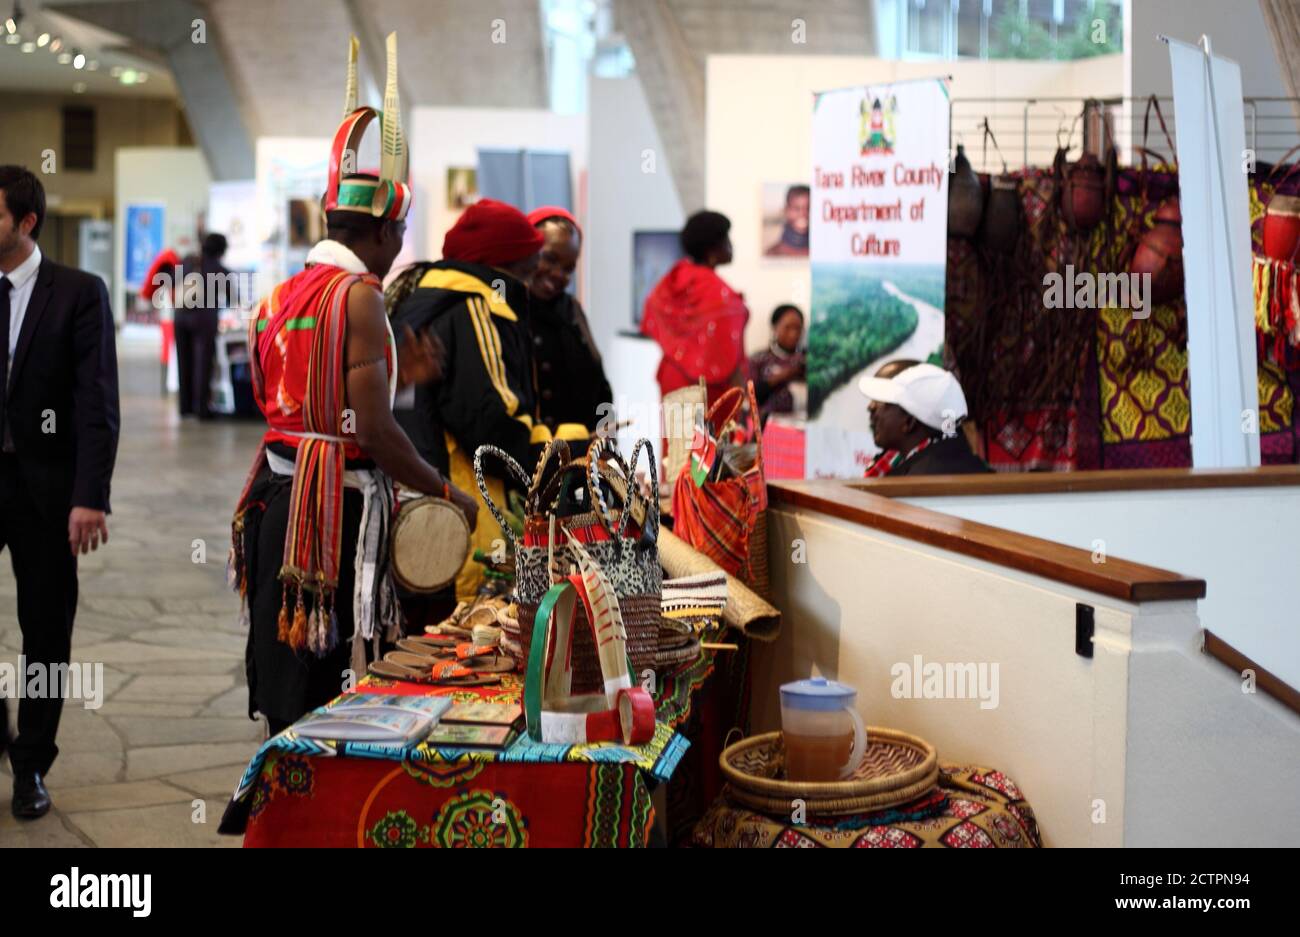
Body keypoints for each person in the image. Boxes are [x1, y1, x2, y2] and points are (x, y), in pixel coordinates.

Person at [230, 34, 476, 735]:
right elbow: (367, 431)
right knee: (331, 661)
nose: (402, 241)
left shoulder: (284, 293)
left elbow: (307, 399)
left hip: (282, 496)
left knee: (288, 662)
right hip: (332, 511)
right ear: (382, 228)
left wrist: (400, 374)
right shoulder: (360, 297)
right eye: (399, 228)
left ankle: (279, 794)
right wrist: (441, 486)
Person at [0, 165, 119, 819]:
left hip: (46, 487)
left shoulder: (77, 292)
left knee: (44, 631)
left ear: (26, 222)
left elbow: (95, 399)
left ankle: (31, 765)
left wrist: (90, 494)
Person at [388, 198, 543, 602]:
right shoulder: (475, 306)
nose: (539, 270)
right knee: (472, 626)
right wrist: (555, 447)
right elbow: (490, 418)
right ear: (504, 261)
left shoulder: (423, 295)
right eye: (532, 258)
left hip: (422, 496)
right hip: (466, 495)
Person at [641, 209, 749, 407]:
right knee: (707, 438)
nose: (731, 245)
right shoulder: (720, 294)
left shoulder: (672, 280)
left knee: (678, 437)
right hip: (708, 389)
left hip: (673, 379)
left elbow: (651, 312)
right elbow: (729, 354)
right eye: (726, 239)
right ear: (712, 249)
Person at [525, 206, 613, 434]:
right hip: (534, 461)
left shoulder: (571, 308)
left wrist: (607, 443)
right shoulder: (508, 309)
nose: (558, 274)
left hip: (583, 457)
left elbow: (599, 383)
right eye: (549, 259)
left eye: (568, 268)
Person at [858, 362, 989, 476]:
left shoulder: (916, 482)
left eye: (884, 403)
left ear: (909, 422)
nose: (872, 408)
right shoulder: (966, 462)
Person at [173, 232, 230, 420]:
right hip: (204, 320)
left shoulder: (187, 262)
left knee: (184, 362)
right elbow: (232, 297)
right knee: (202, 364)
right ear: (221, 250)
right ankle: (201, 409)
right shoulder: (220, 269)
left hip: (181, 317)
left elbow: (173, 282)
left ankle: (185, 407)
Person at [749, 304, 807, 422]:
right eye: (788, 327)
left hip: (803, 426)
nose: (793, 334)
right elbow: (751, 395)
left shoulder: (807, 360)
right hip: (769, 426)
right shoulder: (759, 359)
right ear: (775, 327)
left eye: (798, 328)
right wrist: (786, 374)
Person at [764, 185, 810, 257]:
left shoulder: (822, 251)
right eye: (796, 208)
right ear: (786, 210)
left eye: (809, 208)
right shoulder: (772, 254)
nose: (803, 214)